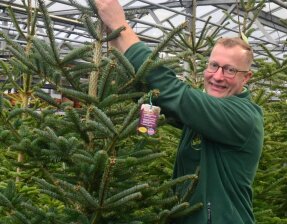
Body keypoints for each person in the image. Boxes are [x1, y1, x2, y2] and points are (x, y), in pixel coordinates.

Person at [96, 1, 264, 223]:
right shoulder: (205, 114)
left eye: (230, 70)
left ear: (247, 77)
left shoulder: (242, 117)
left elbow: (175, 92)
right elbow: (158, 95)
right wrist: (115, 35)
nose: (218, 76)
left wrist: (121, 24)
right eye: (213, 65)